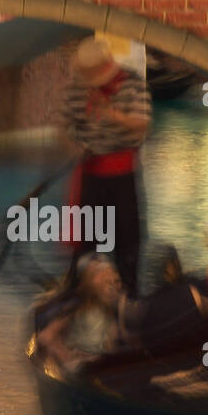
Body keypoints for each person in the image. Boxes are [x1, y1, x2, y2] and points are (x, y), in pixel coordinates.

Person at [58, 37, 152, 297]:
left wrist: (112, 115)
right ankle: (84, 295)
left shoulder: (132, 83)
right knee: (87, 244)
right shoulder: (78, 88)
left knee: (127, 243)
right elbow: (66, 126)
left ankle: (128, 296)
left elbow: (142, 123)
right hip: (91, 176)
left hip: (123, 177)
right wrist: (74, 145)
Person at [36, 253, 129, 374]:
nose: (111, 286)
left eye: (114, 281)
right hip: (78, 363)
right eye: (106, 281)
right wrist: (67, 355)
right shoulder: (76, 306)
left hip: (98, 361)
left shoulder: (108, 308)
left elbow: (111, 340)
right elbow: (46, 337)